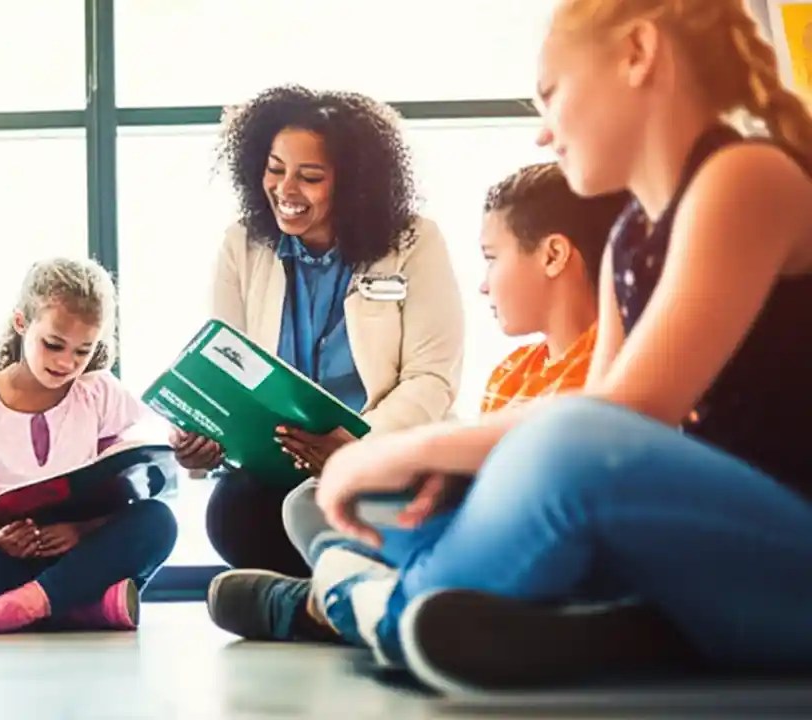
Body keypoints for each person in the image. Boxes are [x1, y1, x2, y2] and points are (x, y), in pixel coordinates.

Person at [314, 0, 812, 694]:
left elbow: (622, 415)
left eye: (551, 95)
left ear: (638, 53)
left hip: (787, 566)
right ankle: (583, 620)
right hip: (700, 560)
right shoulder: (629, 240)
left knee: (570, 442)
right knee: (371, 502)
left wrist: (401, 446)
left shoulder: (747, 176)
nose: (545, 132)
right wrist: (452, 469)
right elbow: (606, 412)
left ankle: (377, 604)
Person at [209, 161, 628, 642]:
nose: (484, 283)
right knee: (310, 503)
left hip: (542, 544)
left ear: (552, 255)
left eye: (492, 257)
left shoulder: (615, 365)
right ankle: (387, 599)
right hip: (477, 537)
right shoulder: (512, 372)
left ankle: (325, 606)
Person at [175, 85, 465, 578]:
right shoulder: (241, 244)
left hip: (381, 459)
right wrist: (204, 431)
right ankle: (340, 587)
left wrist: (359, 441)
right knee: (233, 513)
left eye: (310, 177)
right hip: (280, 465)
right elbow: (221, 365)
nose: (286, 190)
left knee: (380, 509)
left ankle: (316, 594)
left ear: (352, 184)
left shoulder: (415, 242)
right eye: (274, 168)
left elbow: (431, 377)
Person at [0, 257, 178, 636]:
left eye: (83, 351)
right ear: (22, 323)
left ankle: (14, 609)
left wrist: (81, 531)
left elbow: (121, 494)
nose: (67, 362)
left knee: (158, 521)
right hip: (7, 557)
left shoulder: (99, 394)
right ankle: (83, 608)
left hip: (83, 552)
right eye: (54, 345)